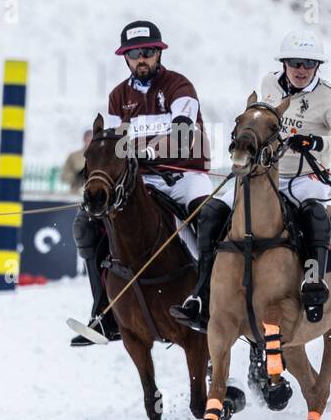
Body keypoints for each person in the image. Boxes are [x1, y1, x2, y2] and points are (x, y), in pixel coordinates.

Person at [72, 20, 223, 345]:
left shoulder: (178, 86)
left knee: (210, 218)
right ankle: (104, 313)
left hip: (183, 177)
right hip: (139, 182)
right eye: (135, 53)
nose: (142, 59)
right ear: (125, 57)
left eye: (148, 52)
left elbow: (183, 134)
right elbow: (112, 145)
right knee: (86, 224)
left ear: (158, 53)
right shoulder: (118, 97)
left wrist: (146, 150)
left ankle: (208, 300)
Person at [247, 28, 331, 322]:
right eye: (295, 62)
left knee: (313, 214)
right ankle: (206, 281)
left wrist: (319, 142)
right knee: (220, 209)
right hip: (266, 174)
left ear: (317, 67)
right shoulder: (268, 83)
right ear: (284, 63)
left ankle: (313, 280)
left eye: (308, 64)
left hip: (306, 177)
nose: (301, 69)